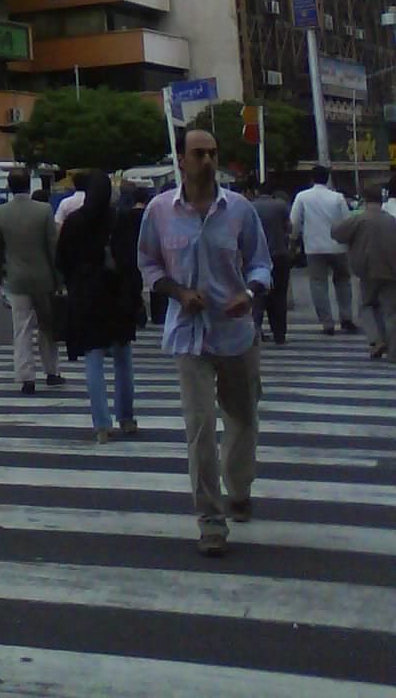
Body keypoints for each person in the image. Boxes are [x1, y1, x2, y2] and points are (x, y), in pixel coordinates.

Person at [138, 129, 271, 557]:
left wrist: (248, 293)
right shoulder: (160, 211)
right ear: (181, 160)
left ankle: (239, 487)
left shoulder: (240, 210)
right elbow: (148, 264)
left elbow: (261, 263)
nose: (208, 160)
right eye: (199, 153)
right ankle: (211, 521)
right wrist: (178, 293)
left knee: (242, 419)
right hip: (188, 337)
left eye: (213, 153)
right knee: (199, 429)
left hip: (236, 335)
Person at [57, 170, 141, 442]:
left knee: (93, 360)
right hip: (117, 296)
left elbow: (62, 260)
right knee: (122, 358)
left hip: (86, 297)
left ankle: (102, 424)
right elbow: (131, 260)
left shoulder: (74, 222)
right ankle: (126, 417)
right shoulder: (120, 219)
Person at [0, 167, 64, 395]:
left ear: (9, 187)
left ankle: (26, 377)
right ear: (29, 186)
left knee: (21, 329)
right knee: (47, 328)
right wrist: (59, 279)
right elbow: (53, 247)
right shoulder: (44, 210)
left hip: (16, 280)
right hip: (43, 279)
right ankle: (52, 371)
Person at [331, 183, 396, 360]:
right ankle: (393, 351)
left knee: (366, 306)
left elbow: (337, 233)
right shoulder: (392, 221)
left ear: (365, 201)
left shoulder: (359, 219)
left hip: (367, 270)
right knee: (391, 312)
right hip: (391, 271)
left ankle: (376, 340)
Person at [291, 165, 357, 335]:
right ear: (328, 178)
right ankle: (346, 317)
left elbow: (294, 222)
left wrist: (294, 240)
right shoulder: (338, 197)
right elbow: (347, 221)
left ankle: (327, 322)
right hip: (338, 246)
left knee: (318, 284)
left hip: (314, 247)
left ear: (311, 179)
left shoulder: (302, 197)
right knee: (343, 281)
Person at [247, 186, 292, 345]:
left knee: (258, 297)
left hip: (256, 257)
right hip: (279, 255)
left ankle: (256, 331)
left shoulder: (249, 206)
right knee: (279, 296)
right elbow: (289, 228)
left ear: (257, 192)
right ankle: (279, 334)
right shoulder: (281, 205)